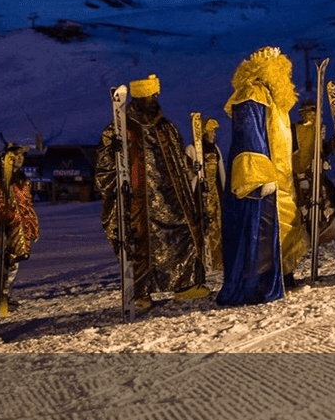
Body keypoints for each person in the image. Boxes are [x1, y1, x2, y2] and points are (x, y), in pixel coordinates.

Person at [95, 74, 208, 311]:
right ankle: (139, 293)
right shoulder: (120, 128)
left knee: (184, 234)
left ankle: (184, 285)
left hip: (171, 199)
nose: (155, 99)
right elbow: (104, 167)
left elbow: (178, 159)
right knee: (138, 245)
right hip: (138, 200)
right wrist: (110, 153)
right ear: (141, 97)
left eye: (155, 95)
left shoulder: (165, 127)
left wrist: (192, 169)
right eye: (151, 96)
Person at [217, 47, 307, 306]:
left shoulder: (273, 98)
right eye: (280, 68)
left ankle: (283, 274)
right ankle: (259, 285)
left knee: (285, 224)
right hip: (262, 179)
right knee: (262, 231)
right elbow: (249, 134)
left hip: (280, 178)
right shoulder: (252, 93)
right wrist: (258, 174)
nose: (285, 74)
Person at [0, 142, 39, 312]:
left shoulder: (21, 178)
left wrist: (31, 224)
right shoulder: (1, 177)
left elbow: (26, 204)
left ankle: (3, 296)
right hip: (8, 227)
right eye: (15, 156)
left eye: (21, 156)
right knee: (7, 262)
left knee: (14, 263)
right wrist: (8, 218)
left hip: (20, 227)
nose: (19, 159)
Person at [292, 101, 335, 245]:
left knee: (328, 196)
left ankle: (331, 230)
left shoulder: (318, 129)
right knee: (305, 202)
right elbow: (294, 152)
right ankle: (308, 234)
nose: (312, 116)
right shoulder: (295, 130)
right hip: (302, 173)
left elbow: (320, 150)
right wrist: (299, 169)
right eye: (309, 112)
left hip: (317, 173)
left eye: (314, 113)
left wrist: (333, 144)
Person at [186, 117, 226, 277]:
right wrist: (193, 171)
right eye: (211, 131)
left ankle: (218, 261)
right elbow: (186, 173)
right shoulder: (192, 149)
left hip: (214, 194)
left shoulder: (215, 149)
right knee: (204, 227)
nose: (213, 134)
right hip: (200, 195)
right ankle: (204, 262)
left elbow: (220, 172)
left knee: (217, 225)